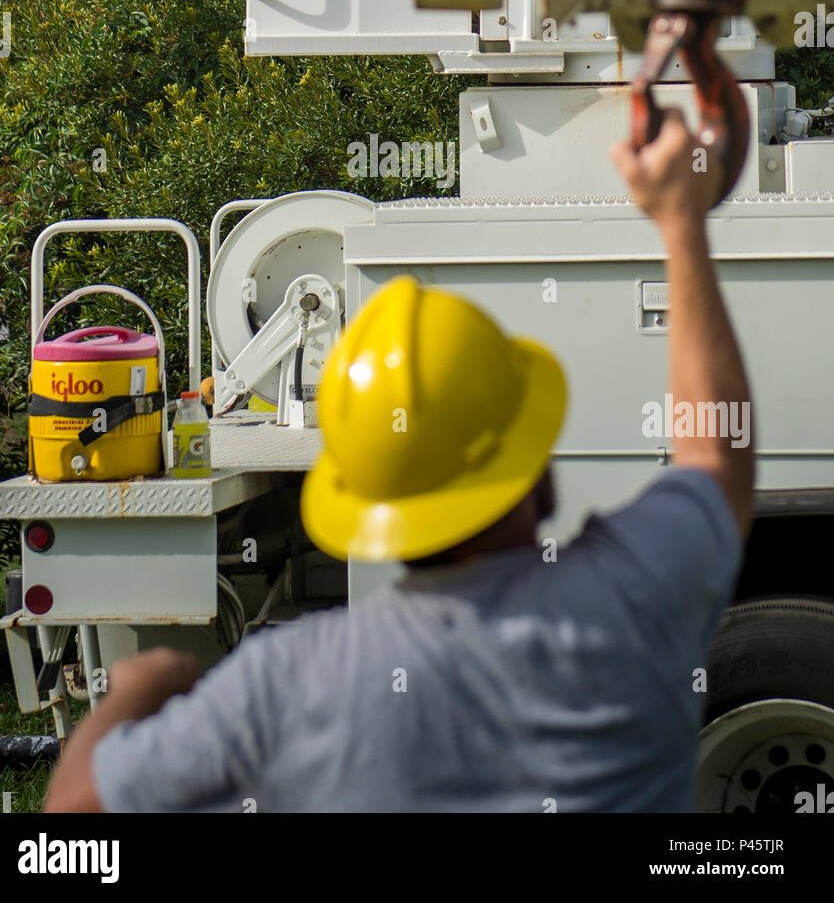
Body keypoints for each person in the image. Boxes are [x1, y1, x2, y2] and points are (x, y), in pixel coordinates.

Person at [45, 110, 752, 813]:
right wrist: (681, 223)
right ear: (536, 469)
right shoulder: (635, 597)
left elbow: (72, 815)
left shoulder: (283, 684)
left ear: (362, 501)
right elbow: (715, 453)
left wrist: (139, 688)